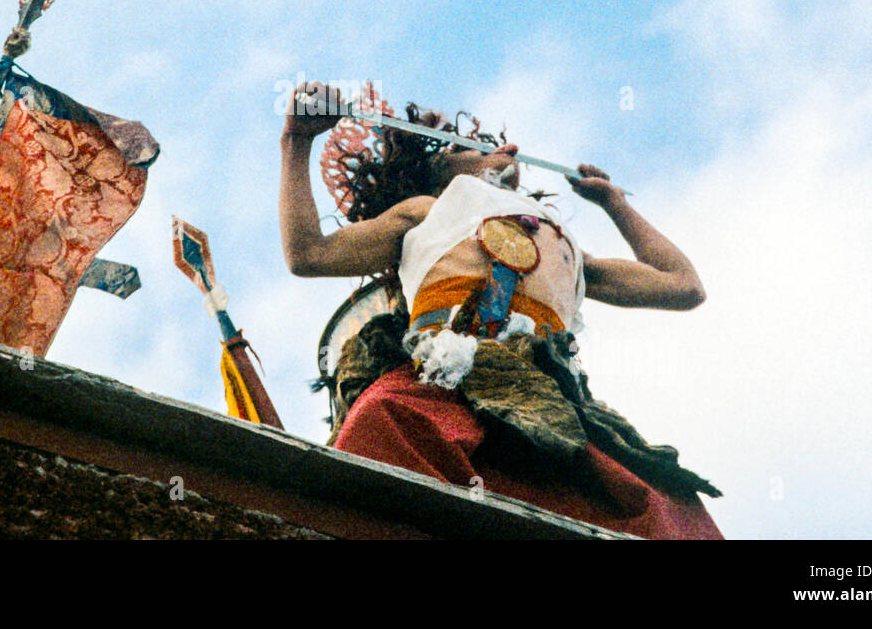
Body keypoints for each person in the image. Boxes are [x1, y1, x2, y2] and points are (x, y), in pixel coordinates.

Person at [280, 81, 723, 539]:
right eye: (473, 148)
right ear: (437, 171)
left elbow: (683, 287)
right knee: (382, 423)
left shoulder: (563, 242)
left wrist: (616, 204)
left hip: (548, 389)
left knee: (666, 500)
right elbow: (308, 254)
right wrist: (297, 140)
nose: (507, 149)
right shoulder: (426, 210)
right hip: (448, 372)